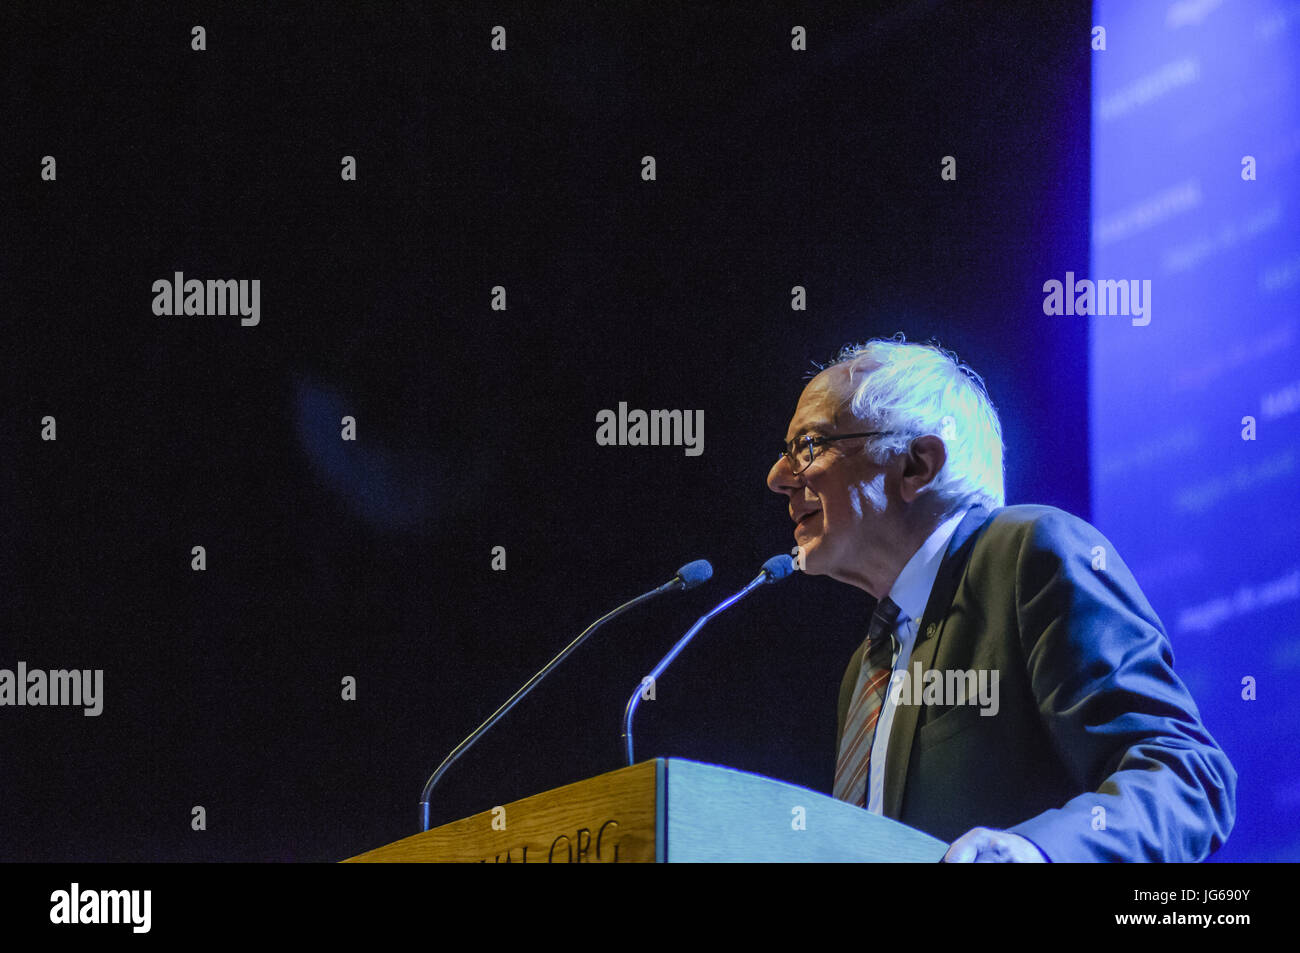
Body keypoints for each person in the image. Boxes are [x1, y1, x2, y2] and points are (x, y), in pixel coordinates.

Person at [765, 334, 1235, 862]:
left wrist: (1035, 851)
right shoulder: (867, 665)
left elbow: (1182, 772)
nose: (778, 478)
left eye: (808, 446)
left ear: (918, 465)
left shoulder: (1031, 554)